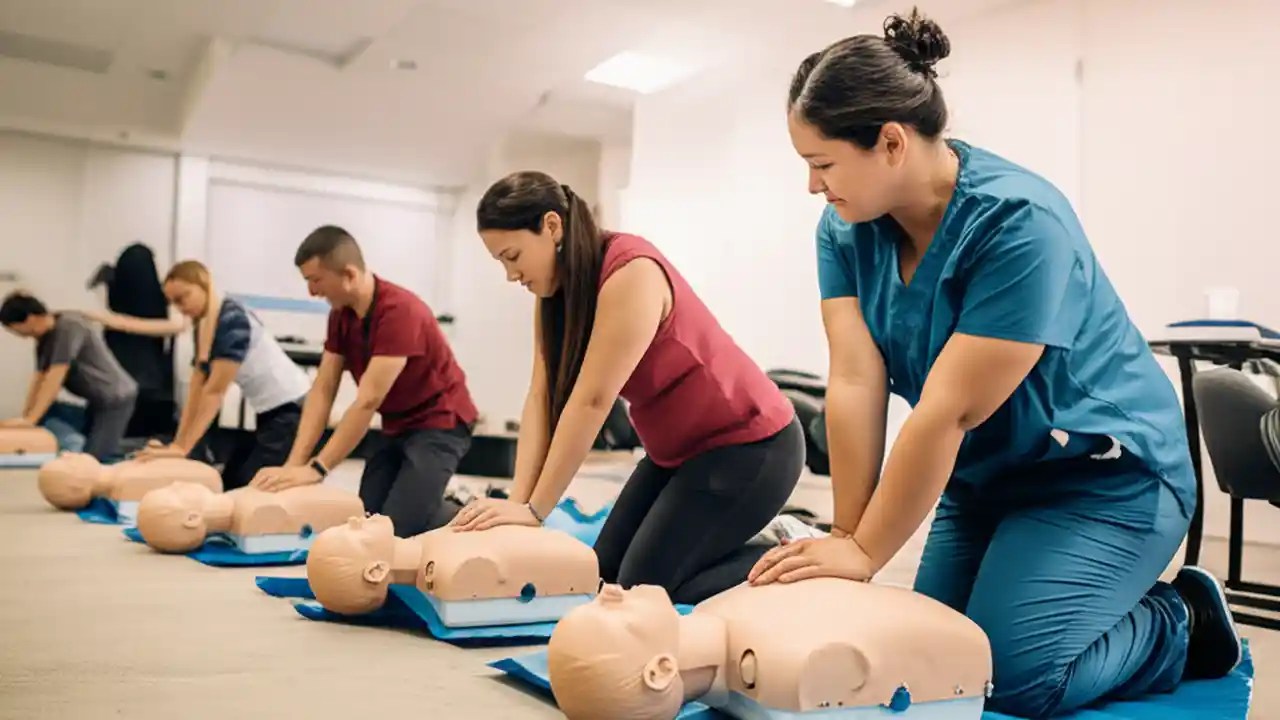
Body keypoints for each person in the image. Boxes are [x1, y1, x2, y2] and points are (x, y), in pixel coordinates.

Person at [747, 8, 1241, 718]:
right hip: (985, 478)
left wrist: (865, 555)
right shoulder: (845, 228)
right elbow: (857, 380)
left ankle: (1180, 623)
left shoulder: (1019, 223)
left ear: (890, 142)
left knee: (1014, 678)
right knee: (936, 663)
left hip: (1106, 479)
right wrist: (847, 543)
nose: (813, 187)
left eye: (821, 164)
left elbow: (949, 410)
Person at [451, 171, 805, 605]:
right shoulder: (554, 296)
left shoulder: (630, 271)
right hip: (677, 453)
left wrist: (535, 510)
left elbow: (592, 401)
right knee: (602, 578)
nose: (510, 275)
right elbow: (541, 397)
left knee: (646, 589)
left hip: (750, 448)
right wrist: (517, 506)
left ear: (551, 226)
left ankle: (796, 551)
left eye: (512, 256)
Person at [250, 226, 478, 538]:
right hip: (397, 424)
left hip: (441, 423)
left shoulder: (400, 311)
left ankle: (472, 509)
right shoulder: (341, 315)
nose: (312, 292)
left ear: (349, 274)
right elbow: (323, 388)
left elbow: (367, 401)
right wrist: (294, 465)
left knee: (396, 530)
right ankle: (427, 501)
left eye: (315, 280)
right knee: (366, 517)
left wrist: (318, 469)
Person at [88, 261, 311, 489]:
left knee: (250, 487)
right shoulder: (205, 326)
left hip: (293, 409)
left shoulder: (231, 319)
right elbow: (198, 386)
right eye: (173, 302)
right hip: (271, 412)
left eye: (183, 297)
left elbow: (214, 392)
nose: (180, 307)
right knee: (231, 481)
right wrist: (178, 444)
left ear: (202, 284)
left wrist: (183, 448)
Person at [0, 292, 138, 461]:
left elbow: (56, 375)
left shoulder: (68, 326)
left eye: (17, 331)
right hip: (97, 401)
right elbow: (39, 378)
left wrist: (31, 419)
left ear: (30, 319)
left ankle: (135, 450)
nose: (20, 336)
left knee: (93, 460)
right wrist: (25, 419)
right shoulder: (44, 338)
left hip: (116, 398)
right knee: (49, 412)